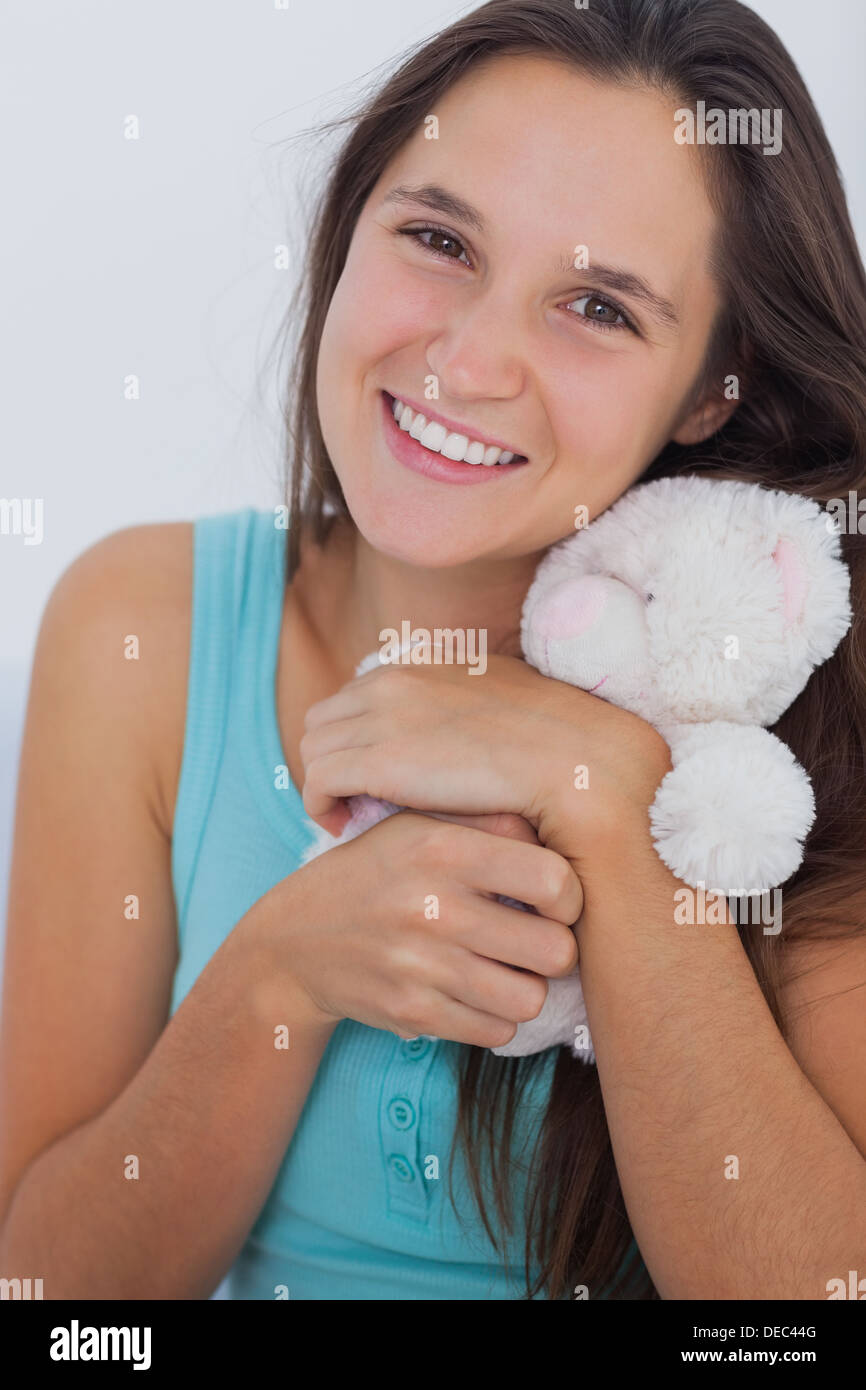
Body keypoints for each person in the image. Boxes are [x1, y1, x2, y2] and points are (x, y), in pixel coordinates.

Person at [2, 0, 865, 1300]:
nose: (464, 360)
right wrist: (277, 973)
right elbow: (55, 1314)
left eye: (594, 303)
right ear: (349, 228)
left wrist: (604, 794)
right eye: (437, 238)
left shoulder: (791, 674)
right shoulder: (143, 625)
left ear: (711, 386)